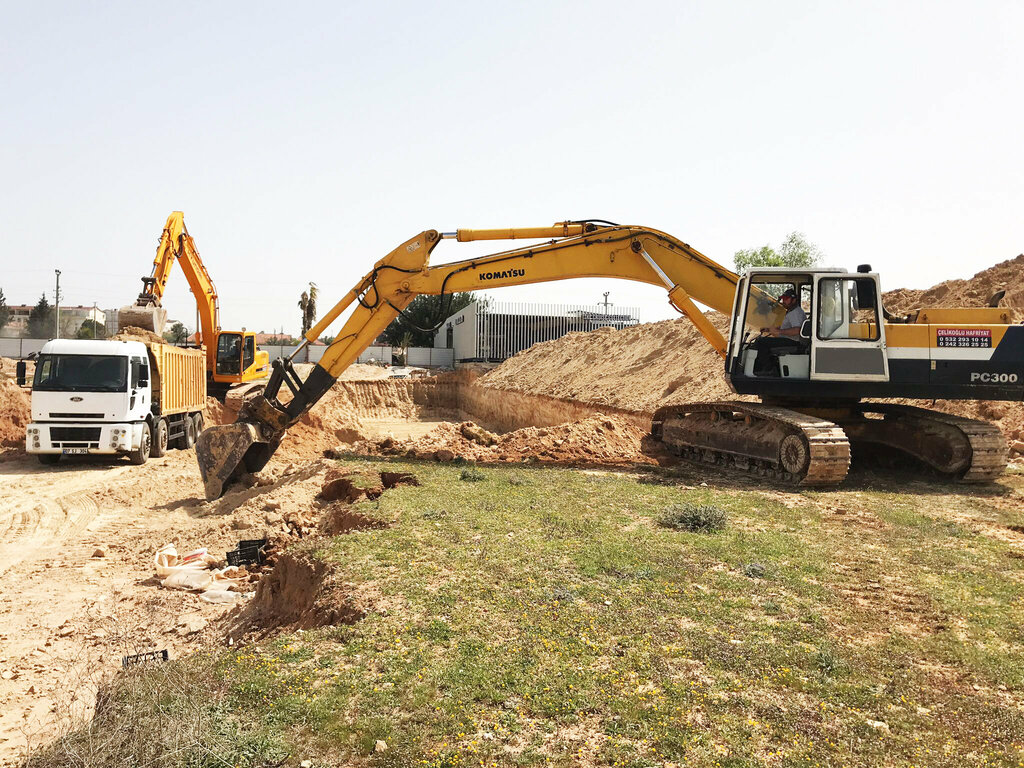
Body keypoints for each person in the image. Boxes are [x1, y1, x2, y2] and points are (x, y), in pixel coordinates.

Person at [751, 288, 807, 375]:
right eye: (783, 299)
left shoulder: (795, 313)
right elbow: (789, 327)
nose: (784, 301)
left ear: (794, 300)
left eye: (786, 299)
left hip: (794, 342)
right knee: (763, 342)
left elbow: (797, 330)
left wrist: (780, 331)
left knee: (761, 342)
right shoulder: (792, 311)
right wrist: (769, 329)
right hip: (790, 340)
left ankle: (767, 369)